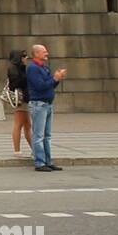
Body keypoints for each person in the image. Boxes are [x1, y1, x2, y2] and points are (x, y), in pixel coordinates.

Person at [26, 44, 67, 173]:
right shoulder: (33, 68)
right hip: (39, 104)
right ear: (36, 54)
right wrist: (54, 78)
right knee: (38, 135)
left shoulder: (44, 67)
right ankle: (40, 162)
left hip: (47, 104)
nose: (47, 53)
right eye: (44, 52)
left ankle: (48, 161)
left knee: (47, 135)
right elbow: (40, 86)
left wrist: (57, 79)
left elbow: (49, 86)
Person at [7, 49, 33, 158]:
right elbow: (15, 84)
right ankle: (17, 150)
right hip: (21, 99)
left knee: (27, 125)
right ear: (19, 58)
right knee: (19, 124)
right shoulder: (15, 69)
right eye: (24, 56)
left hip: (24, 99)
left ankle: (34, 149)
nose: (26, 58)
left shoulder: (19, 68)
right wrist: (25, 74)